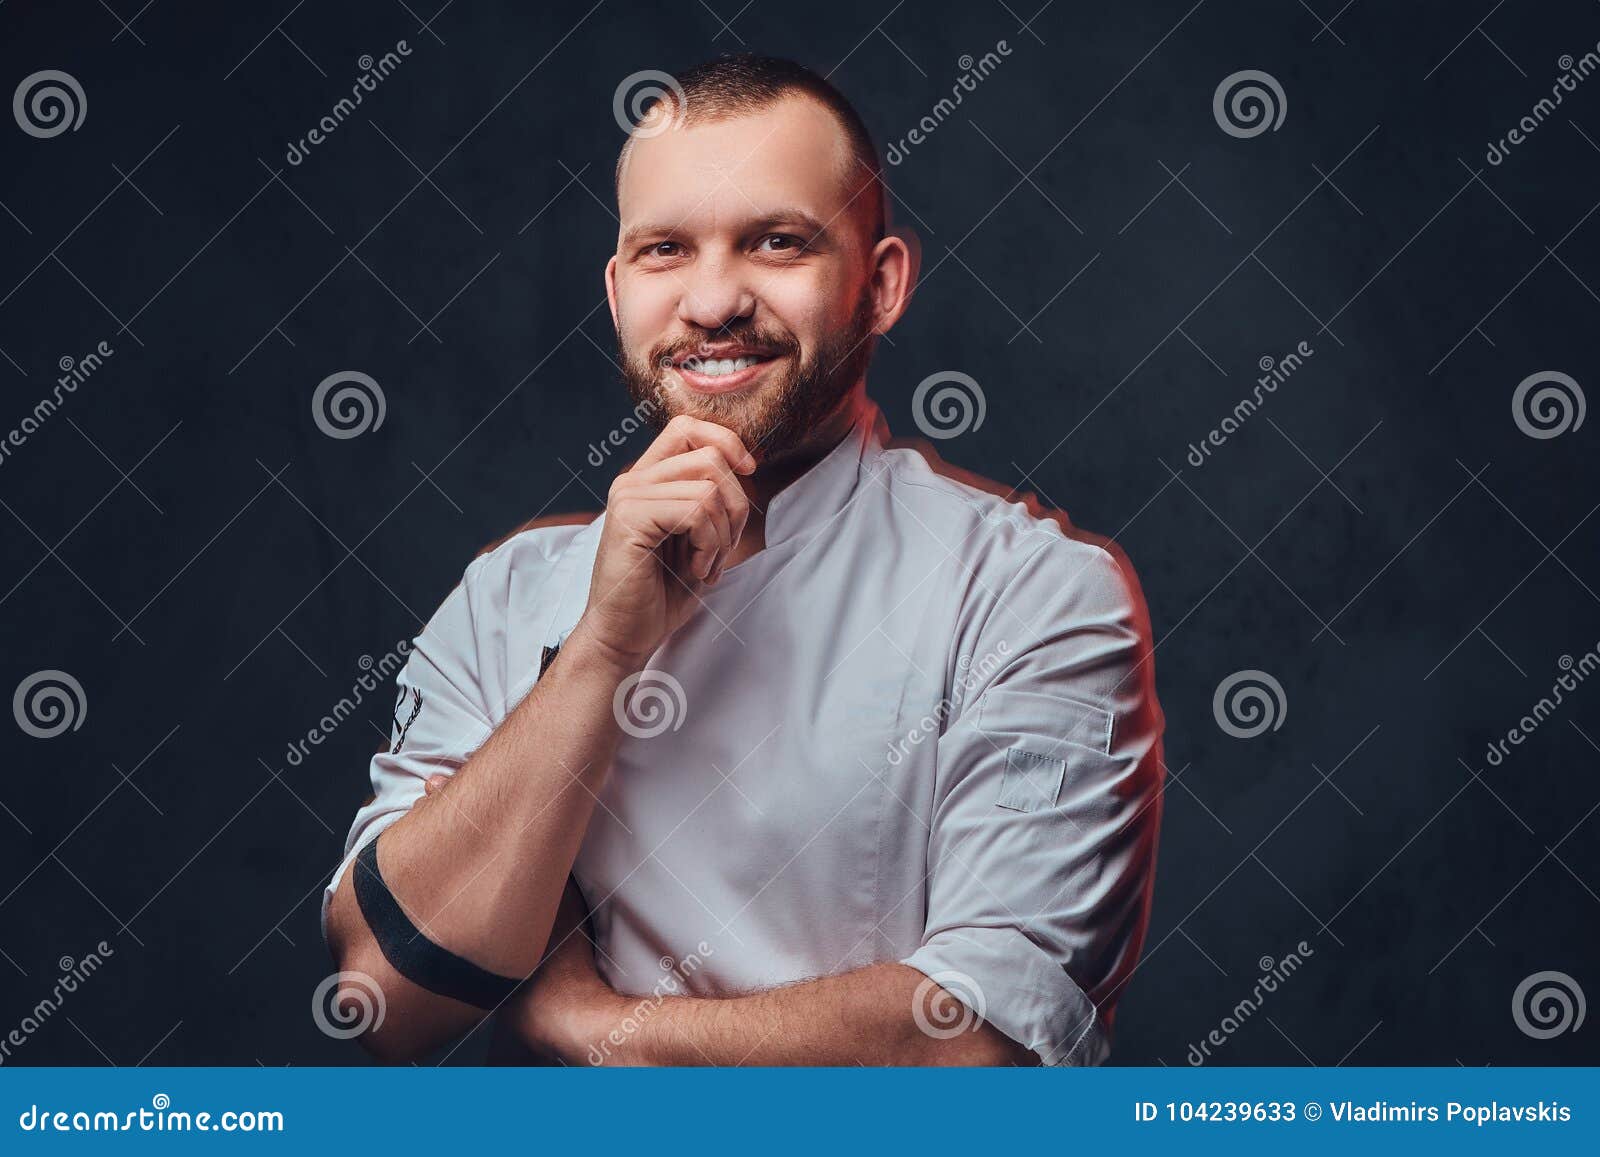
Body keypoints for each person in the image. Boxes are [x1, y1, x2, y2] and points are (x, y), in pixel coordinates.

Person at [322, 52, 1165, 1066]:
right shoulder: (508, 596)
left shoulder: (1030, 595)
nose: (713, 298)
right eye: (665, 249)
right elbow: (384, 994)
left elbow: (975, 1044)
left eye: (775, 241)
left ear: (881, 282)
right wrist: (600, 651)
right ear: (618, 288)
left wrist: (601, 1034)